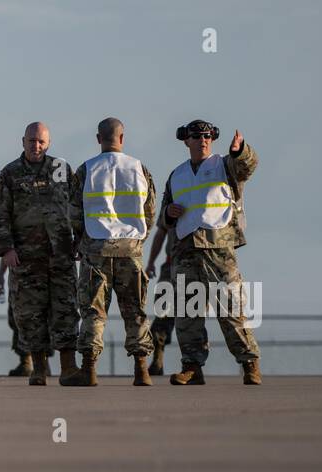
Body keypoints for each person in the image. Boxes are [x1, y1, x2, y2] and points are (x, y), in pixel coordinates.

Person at [161, 121, 262, 385]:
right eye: (197, 136)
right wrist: (168, 213)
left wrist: (240, 151)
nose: (203, 140)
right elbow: (164, 214)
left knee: (231, 309)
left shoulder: (224, 165)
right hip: (186, 250)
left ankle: (249, 363)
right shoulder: (177, 174)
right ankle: (192, 366)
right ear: (187, 141)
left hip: (219, 248)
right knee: (187, 313)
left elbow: (246, 167)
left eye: (207, 136)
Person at [63, 118, 156, 386]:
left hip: (96, 248)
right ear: (122, 138)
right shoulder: (139, 168)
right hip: (131, 249)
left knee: (93, 312)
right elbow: (150, 211)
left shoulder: (87, 169)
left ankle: (89, 370)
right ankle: (142, 370)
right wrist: (139, 238)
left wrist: (79, 239)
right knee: (135, 311)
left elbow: (74, 211)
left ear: (98, 138)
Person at [0, 122, 81, 386]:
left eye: (41, 141)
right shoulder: (10, 173)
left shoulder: (62, 170)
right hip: (26, 258)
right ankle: (39, 368)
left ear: (48, 143)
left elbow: (77, 206)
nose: (36, 146)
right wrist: (6, 248)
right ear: (23, 141)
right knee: (29, 314)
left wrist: (79, 239)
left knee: (65, 310)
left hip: (61, 256)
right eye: (31, 141)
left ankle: (68, 367)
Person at [144, 217, 178, 376]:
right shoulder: (173, 197)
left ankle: (193, 364)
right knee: (163, 312)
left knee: (194, 314)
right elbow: (161, 232)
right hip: (171, 265)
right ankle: (157, 360)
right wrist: (150, 262)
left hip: (200, 263)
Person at [0, 260, 30, 376]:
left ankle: (37, 361)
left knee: (35, 318)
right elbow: (7, 251)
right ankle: (27, 361)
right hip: (19, 278)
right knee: (17, 318)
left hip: (36, 277)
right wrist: (0, 276)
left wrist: (0, 277)